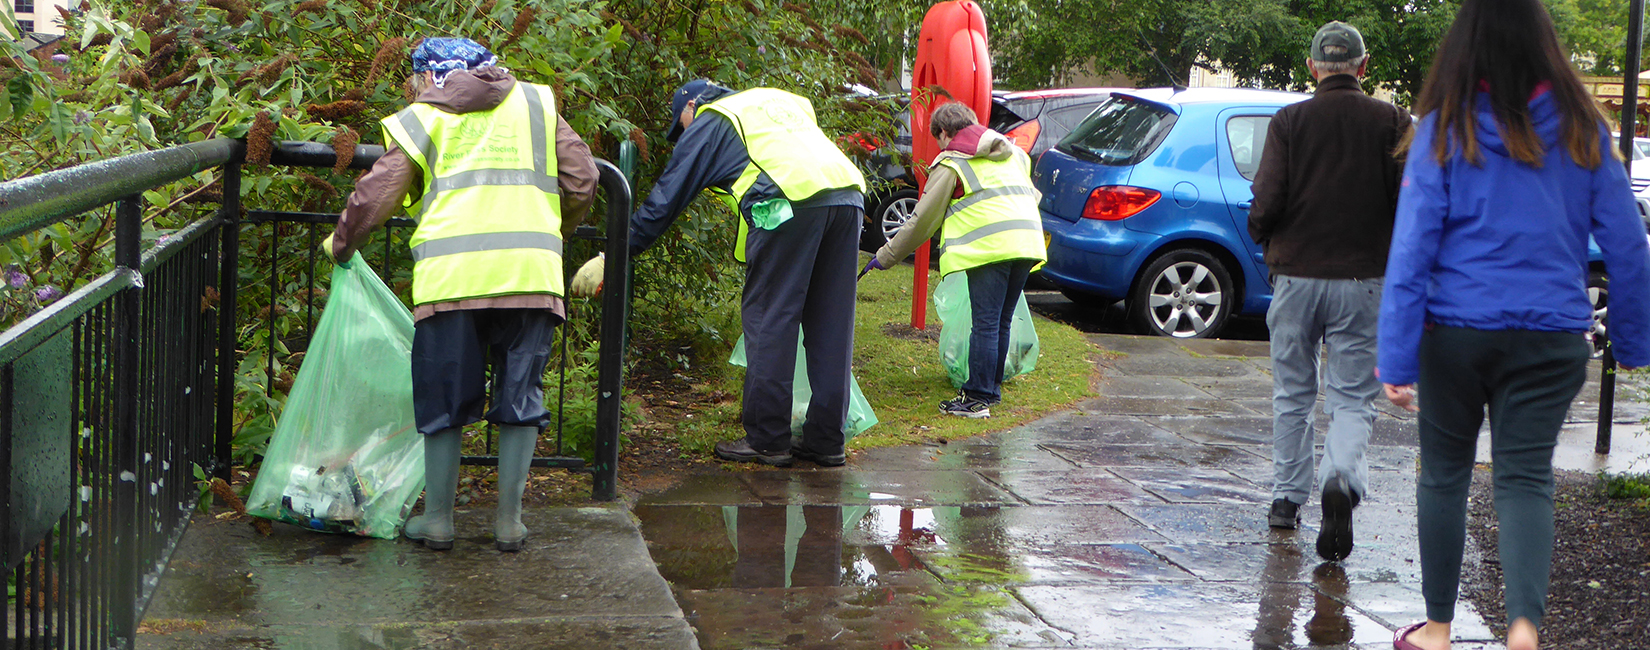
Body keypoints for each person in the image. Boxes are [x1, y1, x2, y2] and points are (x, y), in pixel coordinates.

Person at [1378, 1, 1650, 648]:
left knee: (1443, 472)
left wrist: (1396, 357)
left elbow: (1412, 247)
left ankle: (1438, 630)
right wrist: (1635, 342)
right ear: (1545, 44)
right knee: (1526, 477)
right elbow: (1628, 243)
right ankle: (1524, 628)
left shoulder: (1443, 130)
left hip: (1455, 333)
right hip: (1552, 336)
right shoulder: (1586, 128)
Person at [325, 37, 598, 552]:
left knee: (444, 399)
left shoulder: (422, 116)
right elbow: (582, 179)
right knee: (522, 394)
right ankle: (509, 523)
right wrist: (548, 230)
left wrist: (342, 246)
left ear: (427, 76)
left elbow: (376, 196)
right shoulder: (537, 103)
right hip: (530, 274)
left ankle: (440, 522)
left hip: (452, 281)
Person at [574, 80, 865, 468]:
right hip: (847, 196)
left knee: (770, 319)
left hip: (786, 204)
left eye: (681, 127)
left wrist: (614, 255)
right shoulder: (775, 101)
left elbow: (665, 200)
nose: (683, 137)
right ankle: (827, 440)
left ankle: (768, 439)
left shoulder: (713, 120)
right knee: (832, 322)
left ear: (692, 105)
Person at [1246, 21, 1411, 563]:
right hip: (1364, 283)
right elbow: (1412, 204)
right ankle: (1339, 478)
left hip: (1296, 278)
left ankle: (1285, 501)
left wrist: (1264, 235)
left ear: (1313, 67)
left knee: (1292, 394)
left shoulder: (1290, 120)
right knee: (1352, 398)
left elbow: (1267, 198)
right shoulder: (1392, 121)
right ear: (1363, 68)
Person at [861, 101, 1046, 417]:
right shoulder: (1014, 153)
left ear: (944, 132)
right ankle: (991, 391)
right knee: (1000, 321)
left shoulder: (952, 162)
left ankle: (976, 399)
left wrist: (885, 256)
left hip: (991, 248)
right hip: (1027, 242)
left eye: (938, 139)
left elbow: (921, 221)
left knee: (985, 323)